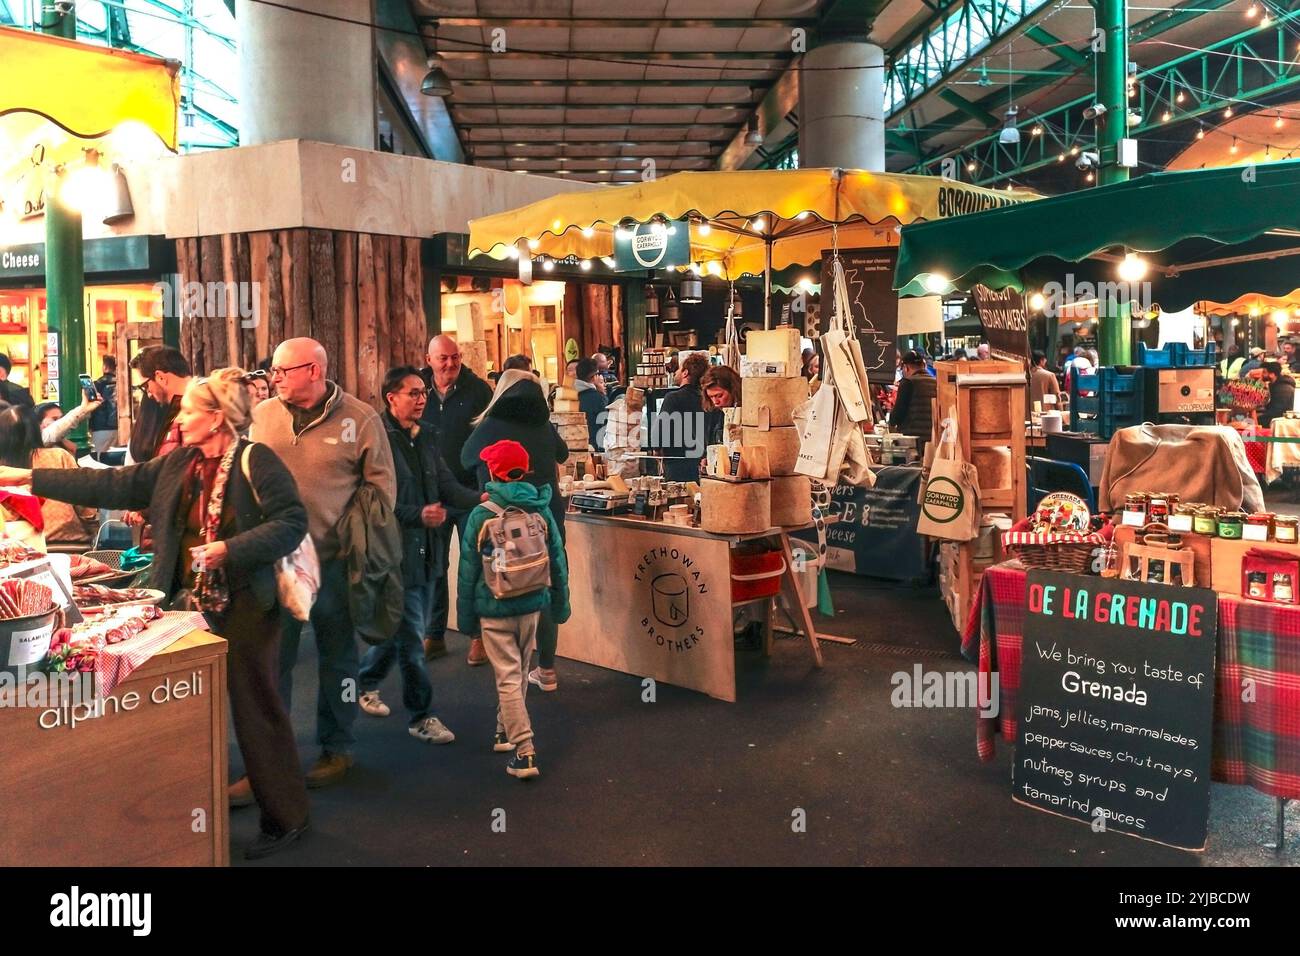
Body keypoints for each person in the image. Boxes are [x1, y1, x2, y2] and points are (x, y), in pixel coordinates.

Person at [4, 369, 311, 859]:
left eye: (189, 410)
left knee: (256, 707)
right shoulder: (179, 464)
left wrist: (230, 548)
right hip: (187, 603)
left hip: (247, 604)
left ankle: (287, 814)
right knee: (188, 705)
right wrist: (26, 476)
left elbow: (291, 522)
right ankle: (188, 803)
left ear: (216, 418)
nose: (180, 417)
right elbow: (114, 485)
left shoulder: (257, 460)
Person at [251, 337, 397, 790]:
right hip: (277, 563)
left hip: (335, 563)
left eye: (282, 371)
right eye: (273, 371)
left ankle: (338, 748)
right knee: (276, 661)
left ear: (314, 370)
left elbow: (383, 490)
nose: (274, 379)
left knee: (338, 660)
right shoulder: (262, 418)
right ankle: (275, 754)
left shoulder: (361, 418)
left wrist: (357, 537)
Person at [359, 366, 483, 742]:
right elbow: (373, 499)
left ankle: (365, 680)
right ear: (390, 397)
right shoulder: (375, 439)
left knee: (400, 629)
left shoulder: (428, 437)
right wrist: (417, 515)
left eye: (423, 393)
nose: (421, 398)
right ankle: (421, 717)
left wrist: (480, 497)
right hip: (393, 552)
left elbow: (445, 483)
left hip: (426, 552)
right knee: (412, 639)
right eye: (412, 393)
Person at [457, 439, 570, 779]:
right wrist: (560, 604)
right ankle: (503, 731)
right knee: (519, 671)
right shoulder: (542, 509)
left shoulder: (482, 514)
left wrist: (466, 620)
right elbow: (558, 561)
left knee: (507, 677)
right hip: (532, 603)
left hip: (494, 607)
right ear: (527, 470)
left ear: (493, 471)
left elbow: (467, 571)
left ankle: (525, 751)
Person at [462, 370, 569, 692]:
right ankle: (546, 669)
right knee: (546, 585)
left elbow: (466, 458)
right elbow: (563, 454)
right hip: (546, 515)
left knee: (504, 587)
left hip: (501, 523)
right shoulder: (542, 423)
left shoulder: (490, 424)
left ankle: (509, 670)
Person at [420, 334, 494, 664]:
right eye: (443, 358)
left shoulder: (478, 391)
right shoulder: (416, 389)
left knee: (474, 566)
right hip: (431, 494)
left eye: (455, 357)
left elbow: (490, 440)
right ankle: (434, 634)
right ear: (429, 359)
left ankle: (478, 637)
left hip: (469, 494)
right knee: (433, 566)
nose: (450, 364)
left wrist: (485, 489)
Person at [0, 404, 98, 549]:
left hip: (17, 552)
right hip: (70, 544)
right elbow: (86, 506)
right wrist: (93, 530)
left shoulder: (3, 470)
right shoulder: (59, 456)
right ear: (36, 430)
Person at [656, 353, 710, 481]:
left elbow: (660, 432)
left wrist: (657, 452)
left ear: (685, 373)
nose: (675, 372)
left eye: (679, 369)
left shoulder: (672, 398)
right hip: (703, 464)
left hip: (676, 465)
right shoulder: (707, 400)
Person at [890, 350, 937, 457]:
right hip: (932, 441)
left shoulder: (907, 383)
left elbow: (897, 415)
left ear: (906, 367)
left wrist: (891, 421)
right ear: (924, 365)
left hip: (913, 442)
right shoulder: (936, 382)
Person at [700, 365, 741, 447]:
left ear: (733, 391)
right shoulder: (713, 413)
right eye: (711, 397)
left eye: (719, 396)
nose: (715, 402)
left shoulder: (748, 413)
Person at [573, 356, 608, 451]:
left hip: (574, 446)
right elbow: (605, 426)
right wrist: (602, 393)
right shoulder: (599, 398)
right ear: (594, 376)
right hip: (595, 448)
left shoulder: (569, 396)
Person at [90, 356, 119, 455]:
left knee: (100, 459)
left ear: (105, 367)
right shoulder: (124, 384)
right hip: (120, 427)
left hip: (100, 428)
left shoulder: (96, 385)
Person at [1259, 361, 1296, 426]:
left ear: (1272, 374)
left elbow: (1276, 411)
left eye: (1264, 372)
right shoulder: (1274, 385)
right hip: (1275, 417)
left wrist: (1258, 418)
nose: (1261, 375)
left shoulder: (1283, 389)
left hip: (1280, 422)